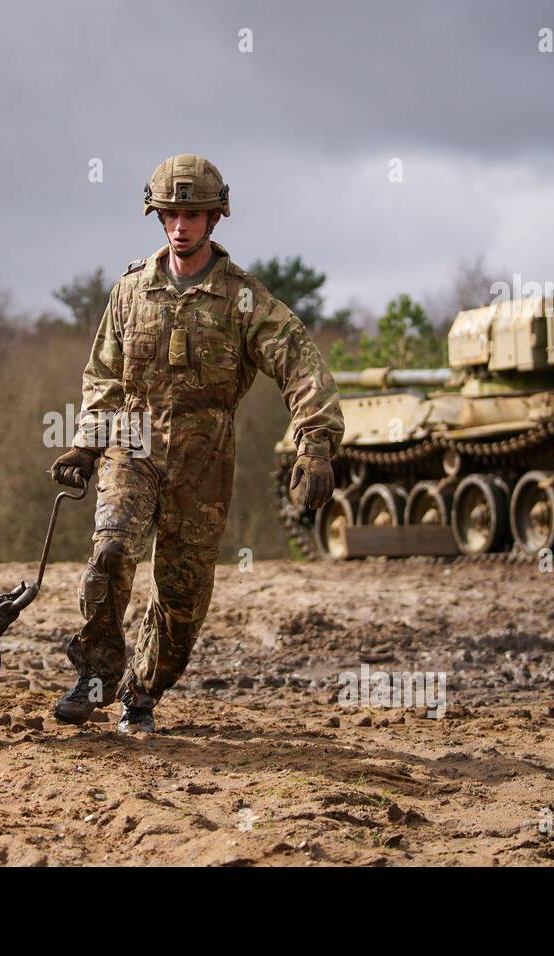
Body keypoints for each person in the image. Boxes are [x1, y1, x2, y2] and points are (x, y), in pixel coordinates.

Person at [49, 155, 343, 734]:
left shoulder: (243, 300)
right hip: (131, 445)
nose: (180, 226)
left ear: (214, 218)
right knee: (109, 554)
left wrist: (315, 441)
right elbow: (103, 374)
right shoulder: (131, 291)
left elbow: (300, 365)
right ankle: (96, 674)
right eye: (169, 214)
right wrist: (86, 445)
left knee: (181, 596)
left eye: (192, 214)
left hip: (205, 458)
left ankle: (142, 690)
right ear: (156, 217)